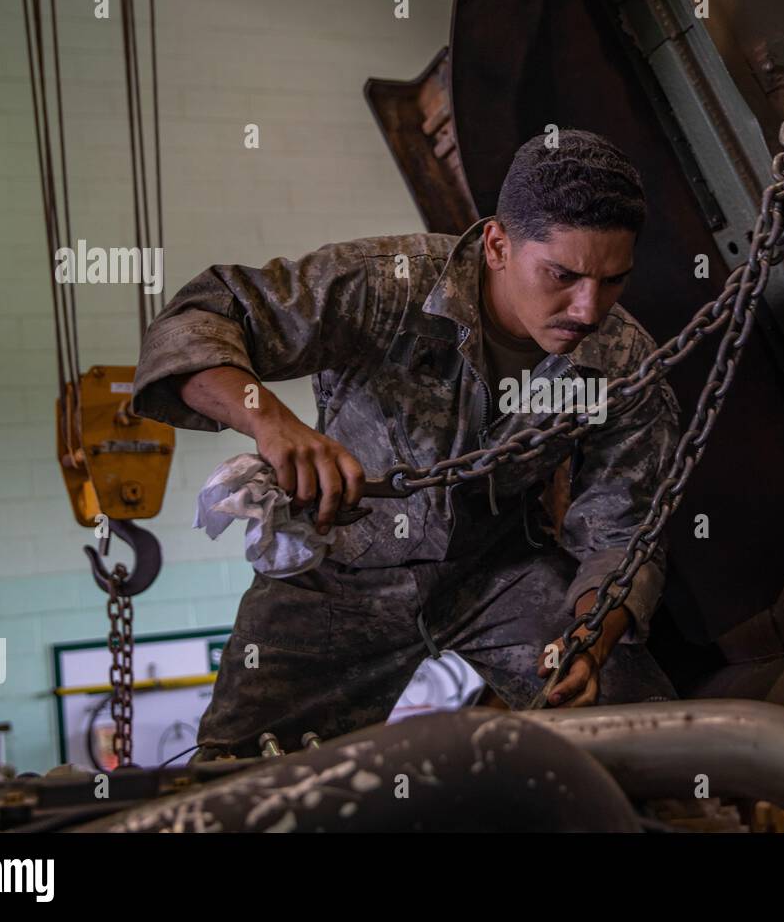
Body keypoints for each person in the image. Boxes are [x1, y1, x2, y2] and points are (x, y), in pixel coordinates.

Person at [132, 129, 681, 758]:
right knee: (239, 776)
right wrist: (270, 420)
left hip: (499, 572)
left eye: (613, 281)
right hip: (336, 572)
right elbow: (193, 322)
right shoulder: (385, 284)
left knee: (648, 735)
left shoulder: (621, 359)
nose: (588, 309)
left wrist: (594, 633)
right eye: (563, 275)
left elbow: (621, 531)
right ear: (498, 245)